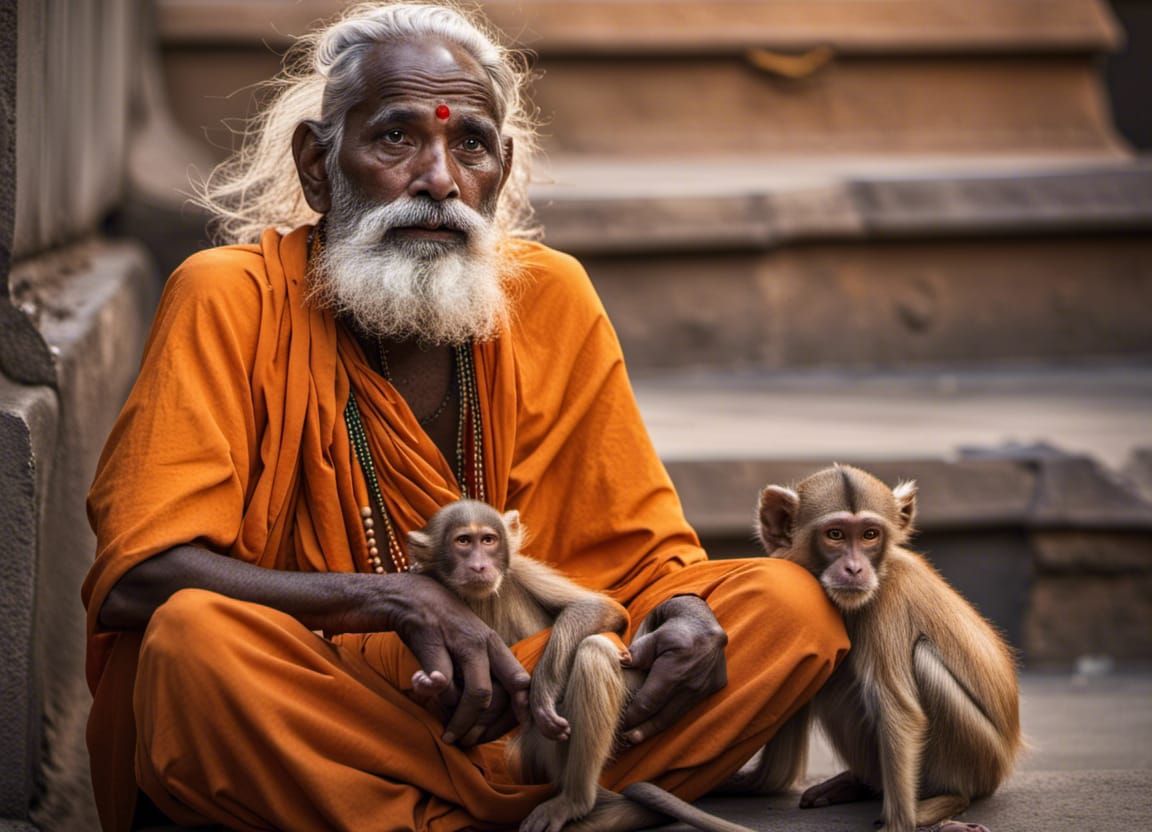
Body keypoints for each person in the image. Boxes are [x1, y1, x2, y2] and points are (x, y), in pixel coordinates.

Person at [82, 3, 848, 830]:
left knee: (792, 607)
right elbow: (140, 576)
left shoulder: (552, 297)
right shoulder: (228, 297)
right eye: (396, 138)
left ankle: (415, 812)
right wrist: (398, 601)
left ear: (503, 170)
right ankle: (546, 808)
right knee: (193, 647)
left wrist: (684, 616)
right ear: (317, 164)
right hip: (329, 691)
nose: (440, 180)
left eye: (470, 144)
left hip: (535, 699)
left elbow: (643, 559)